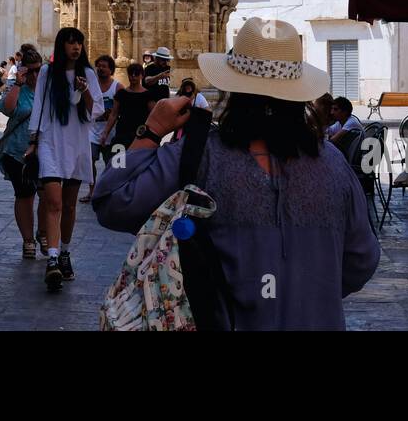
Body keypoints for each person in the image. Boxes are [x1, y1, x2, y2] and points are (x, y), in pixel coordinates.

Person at [92, 17, 381, 330]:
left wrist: (150, 131)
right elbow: (362, 258)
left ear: (233, 88)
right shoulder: (333, 165)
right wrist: (308, 293)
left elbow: (111, 199)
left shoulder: (201, 156)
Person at [24, 27, 103, 291]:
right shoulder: (47, 73)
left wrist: (85, 91)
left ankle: (66, 252)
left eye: (79, 43)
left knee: (69, 206)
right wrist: (33, 140)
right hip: (50, 143)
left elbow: (97, 111)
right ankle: (53, 259)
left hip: (77, 146)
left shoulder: (88, 74)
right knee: (53, 202)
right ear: (62, 46)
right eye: (71, 43)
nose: (76, 48)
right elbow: (38, 107)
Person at [0, 45, 47, 259]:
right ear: (23, 70)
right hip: (18, 151)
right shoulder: (18, 88)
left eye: (38, 70)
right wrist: (18, 83)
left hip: (46, 151)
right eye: (30, 70)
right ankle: (28, 240)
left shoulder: (48, 91)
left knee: (47, 195)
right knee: (25, 195)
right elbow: (6, 109)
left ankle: (43, 232)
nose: (34, 75)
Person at [84, 54, 121, 203]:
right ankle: (92, 191)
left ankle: (109, 191)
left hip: (112, 133)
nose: (100, 69)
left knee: (112, 163)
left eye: (104, 66)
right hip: (92, 131)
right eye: (98, 66)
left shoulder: (117, 87)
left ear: (111, 69)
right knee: (90, 161)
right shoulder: (90, 86)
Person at [103, 62, 156, 151]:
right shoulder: (121, 94)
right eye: (131, 74)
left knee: (138, 162)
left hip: (140, 134)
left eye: (136, 74)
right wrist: (105, 133)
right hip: (122, 133)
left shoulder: (148, 95)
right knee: (121, 163)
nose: (133, 76)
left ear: (141, 76)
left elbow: (153, 116)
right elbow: (113, 114)